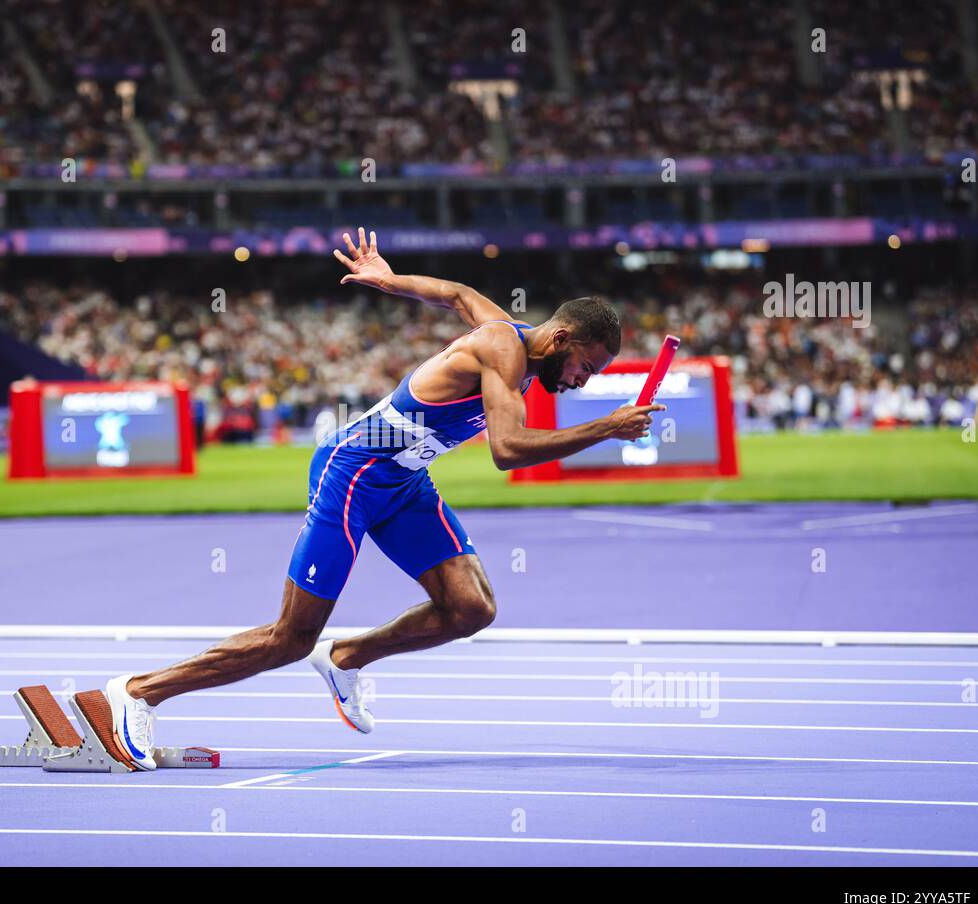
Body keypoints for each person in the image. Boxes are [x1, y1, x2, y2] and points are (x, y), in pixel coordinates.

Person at [104, 228, 663, 769]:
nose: (584, 382)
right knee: (291, 638)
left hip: (403, 480)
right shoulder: (502, 348)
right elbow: (508, 449)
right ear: (562, 339)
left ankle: (348, 657)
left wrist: (391, 280)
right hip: (354, 471)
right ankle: (139, 693)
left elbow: (457, 294)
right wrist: (606, 429)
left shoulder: (503, 330)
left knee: (471, 608)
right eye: (586, 368)